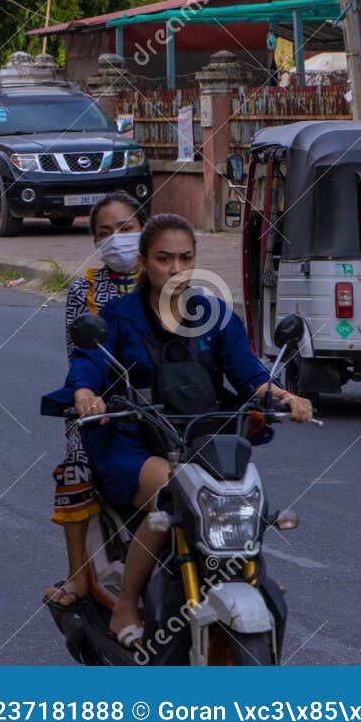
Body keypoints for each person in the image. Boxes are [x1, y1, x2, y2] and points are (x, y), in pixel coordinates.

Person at [58, 213, 314, 647]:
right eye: (163, 259)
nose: (175, 269)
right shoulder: (119, 317)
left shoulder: (215, 316)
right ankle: (126, 605)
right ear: (143, 262)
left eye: (185, 258)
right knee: (172, 492)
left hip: (202, 439)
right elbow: (89, 363)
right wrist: (86, 393)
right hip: (134, 443)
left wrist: (285, 397)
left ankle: (249, 574)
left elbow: (250, 373)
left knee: (242, 489)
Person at [43, 193, 145, 613]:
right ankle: (79, 575)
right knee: (76, 466)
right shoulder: (85, 287)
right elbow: (79, 356)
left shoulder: (166, 279)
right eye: (105, 233)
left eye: (125, 229)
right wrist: (88, 395)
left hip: (164, 403)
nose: (116, 239)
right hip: (103, 404)